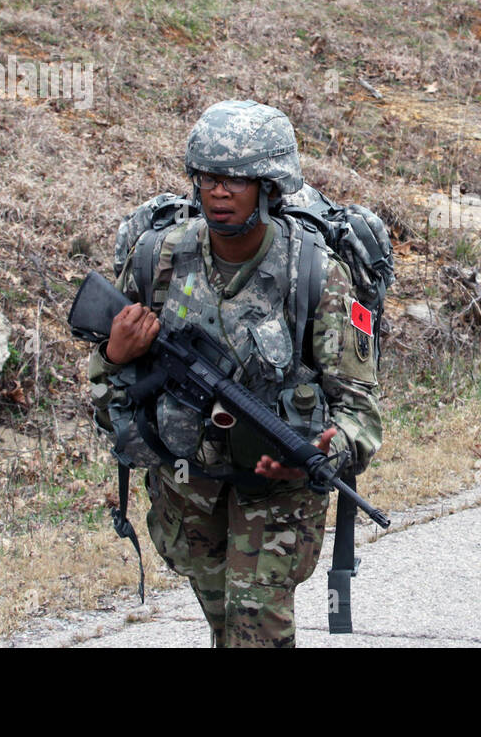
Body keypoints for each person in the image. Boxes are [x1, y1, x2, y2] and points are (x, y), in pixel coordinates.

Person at [87, 100, 382, 647]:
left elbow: (360, 411)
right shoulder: (159, 258)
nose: (219, 192)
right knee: (226, 628)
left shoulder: (315, 274)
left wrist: (322, 451)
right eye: (208, 178)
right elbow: (106, 382)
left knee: (255, 634)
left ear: (270, 187)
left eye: (237, 180)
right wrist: (115, 353)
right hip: (187, 489)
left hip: (277, 494)